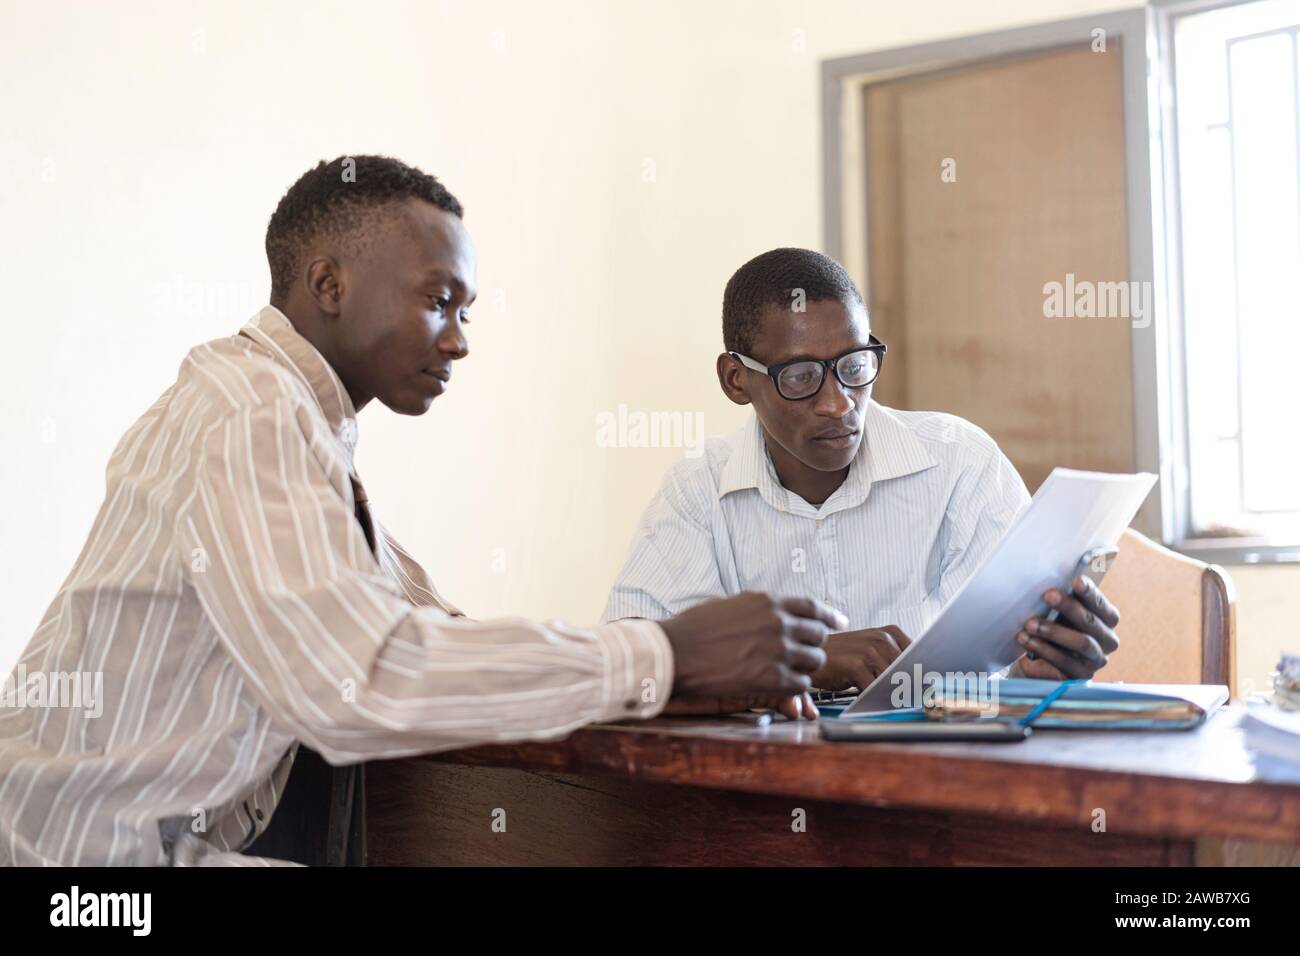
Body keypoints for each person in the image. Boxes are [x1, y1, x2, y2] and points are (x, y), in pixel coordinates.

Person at [0, 158, 843, 867]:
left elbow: (429, 630)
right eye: (440, 300)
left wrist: (709, 673)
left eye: (467, 311)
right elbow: (358, 678)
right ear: (328, 282)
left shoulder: (288, 420)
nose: (461, 339)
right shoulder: (251, 412)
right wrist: (662, 654)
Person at [603, 247, 1121, 702]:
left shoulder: (960, 463)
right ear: (737, 380)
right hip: (766, 793)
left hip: (947, 781)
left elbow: (1007, 678)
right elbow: (623, 671)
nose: (837, 403)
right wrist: (802, 660)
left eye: (854, 365)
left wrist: (1047, 670)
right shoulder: (698, 492)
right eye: (801, 377)